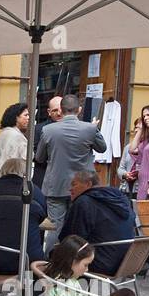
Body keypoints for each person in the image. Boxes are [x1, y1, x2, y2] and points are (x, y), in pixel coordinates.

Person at [34, 94, 106, 244]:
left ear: (62, 109)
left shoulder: (48, 130)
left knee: (56, 226)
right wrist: (94, 128)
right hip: (83, 186)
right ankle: (77, 258)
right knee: (80, 225)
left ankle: (52, 258)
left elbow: (39, 157)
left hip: (56, 185)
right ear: (79, 110)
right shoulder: (89, 129)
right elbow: (102, 148)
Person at [0, 156, 49, 274]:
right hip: (27, 263)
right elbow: (41, 218)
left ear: (3, 171)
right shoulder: (34, 192)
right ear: (25, 173)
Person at [59, 169, 137, 276]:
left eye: (74, 184)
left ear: (88, 184)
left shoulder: (84, 202)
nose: (70, 189)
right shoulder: (120, 198)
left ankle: (59, 291)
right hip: (126, 261)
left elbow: (72, 238)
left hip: (99, 264)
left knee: (55, 257)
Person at [32, 95, 63, 189]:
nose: (59, 113)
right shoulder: (39, 129)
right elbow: (36, 155)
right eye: (55, 110)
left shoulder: (75, 128)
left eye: (61, 109)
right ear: (49, 112)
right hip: (44, 176)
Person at [0, 102, 29, 177]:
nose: (28, 118)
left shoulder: (2, 134)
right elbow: (24, 165)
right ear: (16, 118)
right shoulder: (18, 137)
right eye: (25, 115)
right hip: (13, 179)